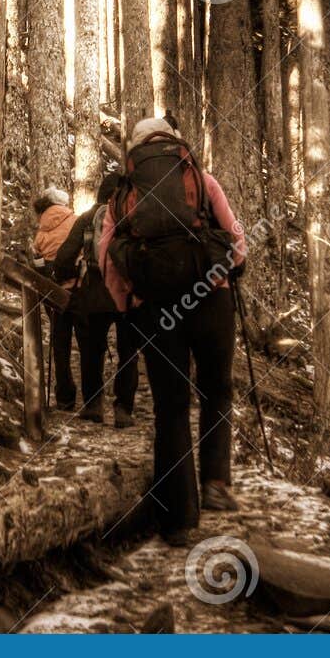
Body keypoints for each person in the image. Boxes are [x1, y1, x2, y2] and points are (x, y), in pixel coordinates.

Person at [98, 116, 247, 547]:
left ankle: (179, 520)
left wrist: (127, 302)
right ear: (174, 142)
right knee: (217, 388)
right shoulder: (201, 179)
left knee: (171, 405)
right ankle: (216, 481)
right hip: (211, 298)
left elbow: (108, 257)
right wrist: (229, 268)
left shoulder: (123, 194)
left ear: (136, 149)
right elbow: (237, 240)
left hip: (156, 309)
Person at [51, 172, 141, 427]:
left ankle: (93, 405)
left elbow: (64, 257)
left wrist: (65, 276)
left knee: (92, 350)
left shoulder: (88, 217)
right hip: (126, 294)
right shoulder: (134, 215)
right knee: (128, 352)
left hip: (93, 292)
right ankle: (124, 408)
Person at [30, 188, 79, 411]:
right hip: (78, 289)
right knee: (88, 342)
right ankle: (92, 396)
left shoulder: (41, 230)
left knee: (60, 344)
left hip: (53, 290)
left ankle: (64, 396)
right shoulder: (76, 221)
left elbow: (37, 258)